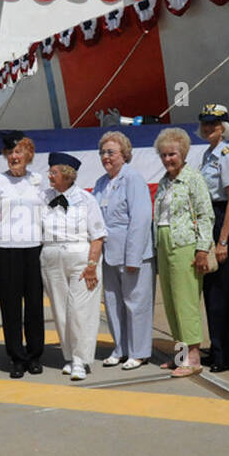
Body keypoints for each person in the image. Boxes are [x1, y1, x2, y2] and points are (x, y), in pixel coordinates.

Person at [0, 132, 46, 378]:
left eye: (18, 152)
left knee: (34, 304)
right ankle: (16, 357)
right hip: (5, 248)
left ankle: (34, 355)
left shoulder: (38, 180)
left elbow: (46, 213)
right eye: (10, 154)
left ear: (28, 155)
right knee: (10, 306)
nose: (14, 157)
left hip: (33, 247)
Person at [153, 127, 213, 376]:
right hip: (164, 242)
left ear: (183, 153)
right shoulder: (165, 182)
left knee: (185, 302)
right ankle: (180, 355)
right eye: (164, 155)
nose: (168, 159)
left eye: (172, 154)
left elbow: (205, 214)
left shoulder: (193, 179)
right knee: (170, 301)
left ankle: (194, 357)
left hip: (184, 244)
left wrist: (202, 249)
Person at [41, 152, 107, 381]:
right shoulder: (43, 197)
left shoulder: (86, 199)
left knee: (80, 311)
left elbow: (98, 235)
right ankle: (69, 356)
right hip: (51, 257)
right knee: (60, 311)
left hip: (80, 257)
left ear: (68, 176)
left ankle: (81, 359)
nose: (49, 175)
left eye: (54, 172)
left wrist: (91, 265)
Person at [92, 131, 154, 370]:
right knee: (113, 302)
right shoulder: (101, 183)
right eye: (103, 152)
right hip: (108, 254)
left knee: (135, 302)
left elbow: (140, 218)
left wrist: (133, 256)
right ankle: (120, 348)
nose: (106, 157)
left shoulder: (133, 179)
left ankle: (138, 352)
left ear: (124, 155)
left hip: (132, 253)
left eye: (111, 152)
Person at [197, 104, 229, 372]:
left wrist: (223, 241)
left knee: (223, 292)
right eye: (204, 124)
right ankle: (215, 348)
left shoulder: (226, 155)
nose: (207, 128)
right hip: (210, 218)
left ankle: (226, 355)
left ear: (223, 127)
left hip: (223, 220)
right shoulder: (207, 154)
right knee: (210, 290)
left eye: (212, 124)